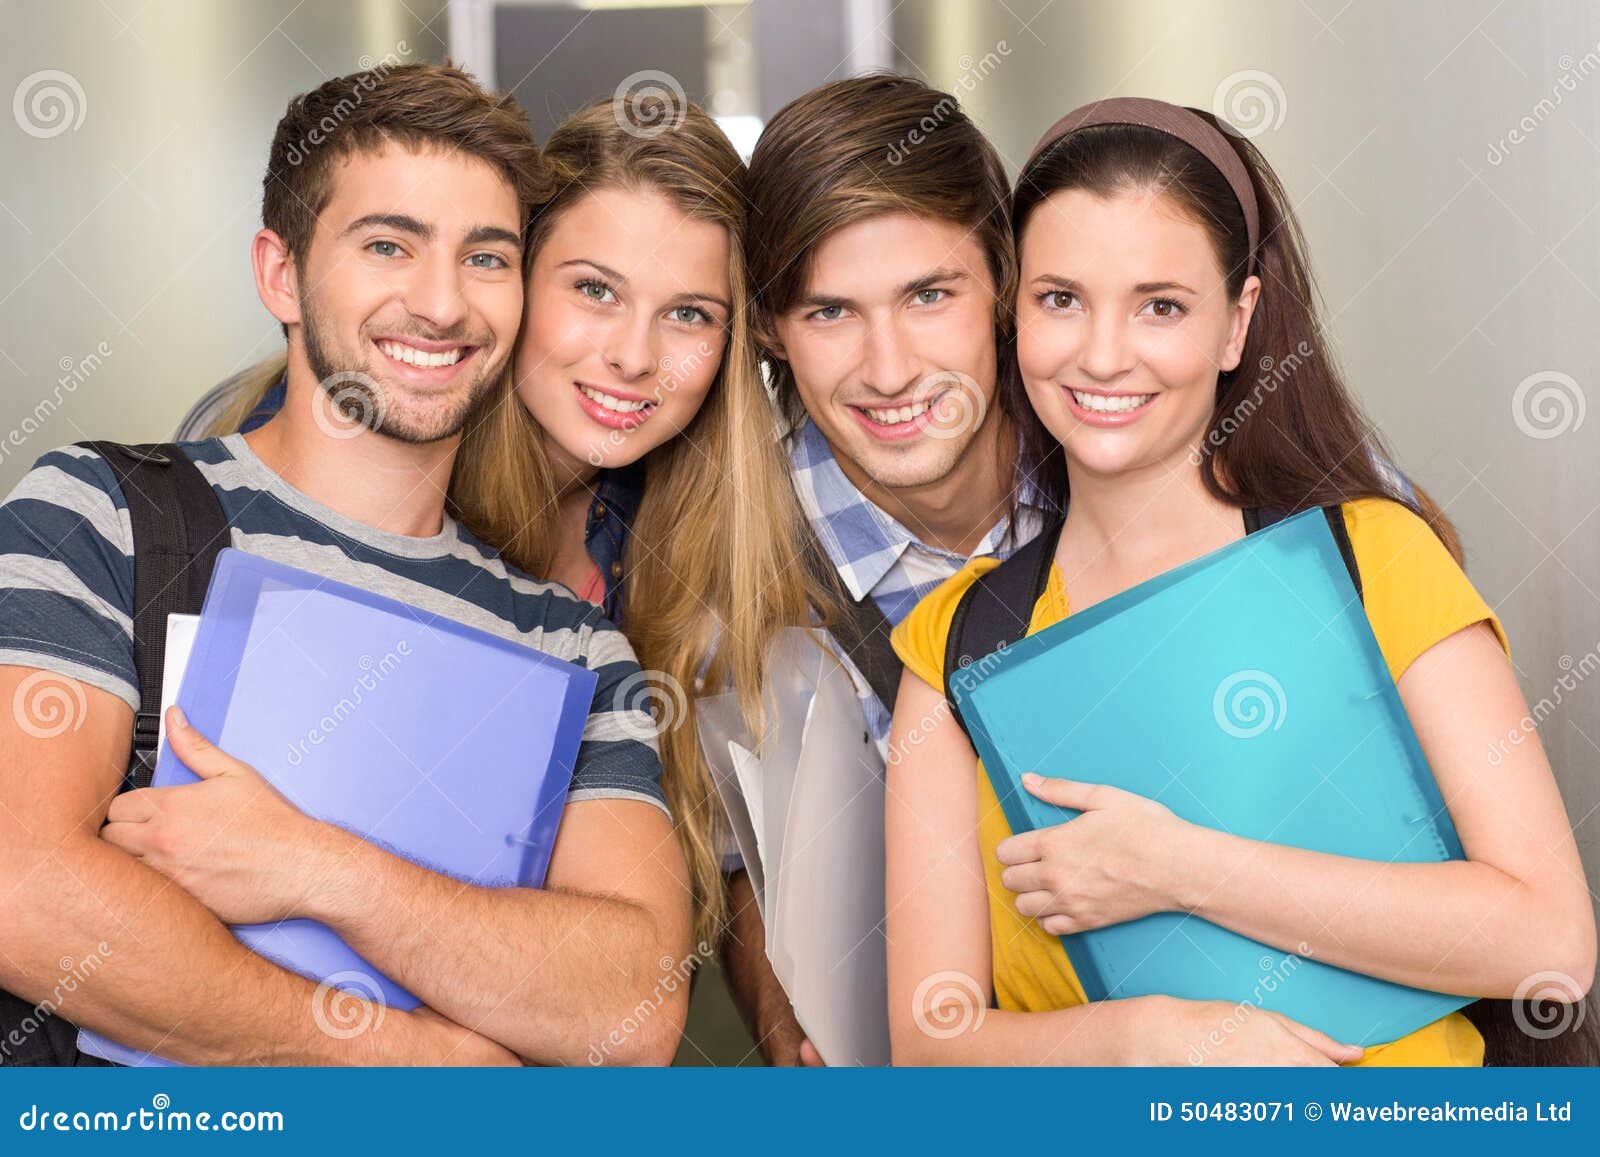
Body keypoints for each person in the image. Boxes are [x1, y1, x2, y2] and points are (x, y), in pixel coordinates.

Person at [0, 63, 691, 1067]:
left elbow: (632, 1005)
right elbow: (23, 883)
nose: (442, 303)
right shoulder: (102, 513)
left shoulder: (575, 647)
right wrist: (420, 1059)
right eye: (387, 245)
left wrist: (315, 866)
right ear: (280, 272)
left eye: (486, 258)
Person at [885, 97, 1597, 1065]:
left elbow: (1547, 938)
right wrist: (1148, 1037)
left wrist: (1179, 866)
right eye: (1060, 299)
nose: (1101, 353)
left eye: (1161, 305)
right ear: (1014, 311)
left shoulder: (1373, 559)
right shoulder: (957, 643)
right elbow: (930, 1039)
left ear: (1237, 324)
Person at [179, 95, 833, 960]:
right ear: (513, 277)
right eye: (595, 290)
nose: (634, 356)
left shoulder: (677, 530)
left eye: (689, 314)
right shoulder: (342, 445)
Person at [721, 74, 1059, 1064]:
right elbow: (744, 862)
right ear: (772, 328)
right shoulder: (730, 569)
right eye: (829, 311)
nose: (888, 369)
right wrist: (786, 1024)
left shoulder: (1119, 444)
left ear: (1001, 277)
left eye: (927, 294)